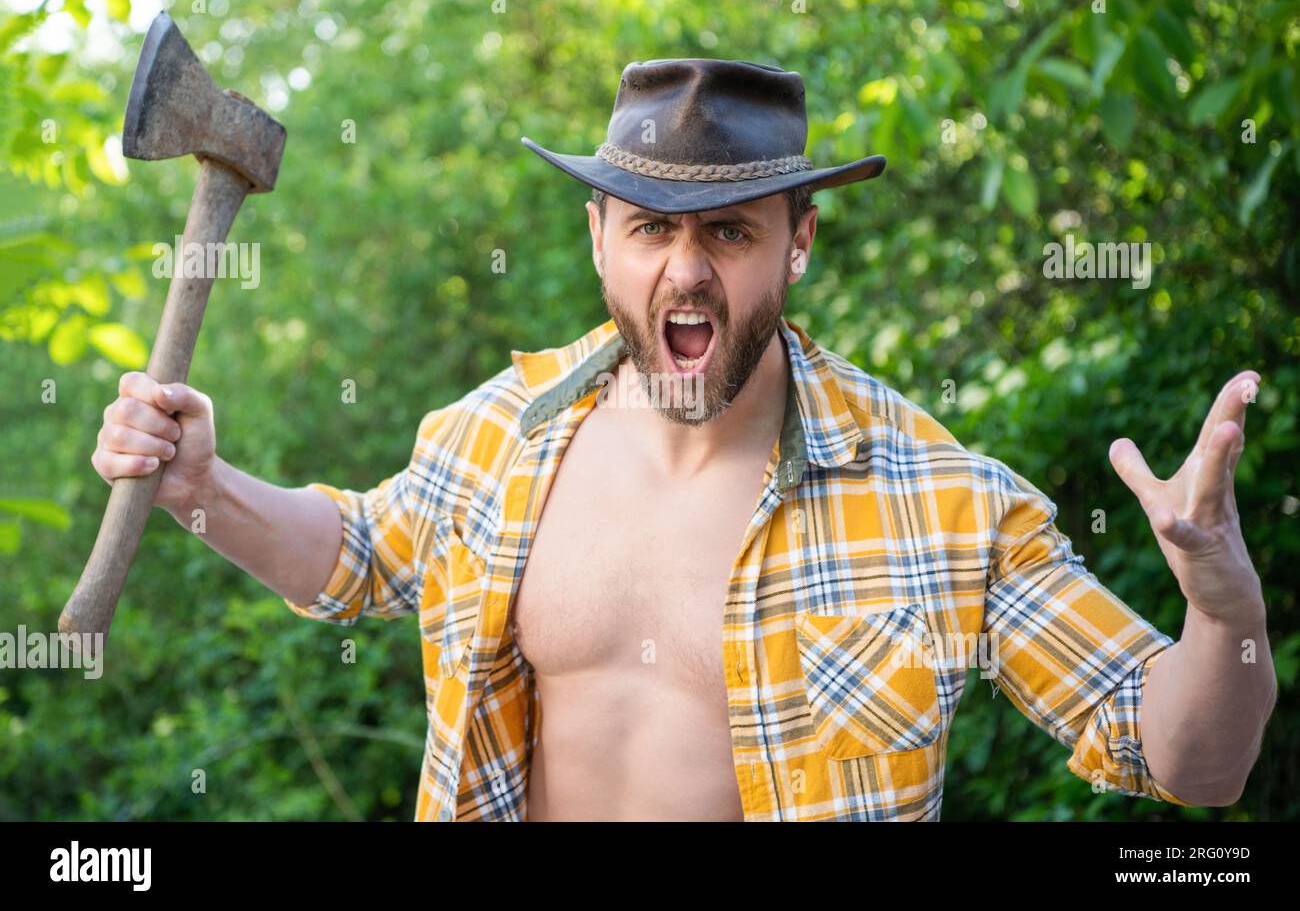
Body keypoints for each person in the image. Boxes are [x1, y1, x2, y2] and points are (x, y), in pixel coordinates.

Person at [90, 59, 1276, 821]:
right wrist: (202, 488)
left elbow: (1188, 761)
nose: (686, 268)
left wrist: (1223, 615)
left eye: (731, 232)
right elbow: (354, 554)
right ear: (600, 233)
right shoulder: (500, 433)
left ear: (798, 241)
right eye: (652, 228)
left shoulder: (941, 497)